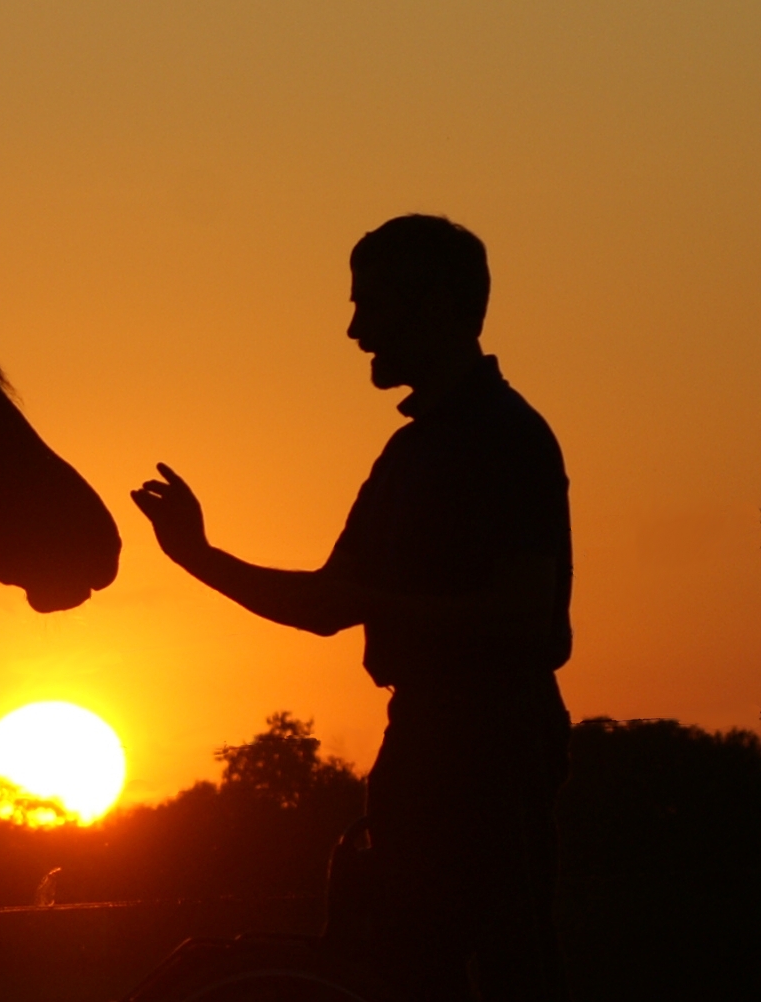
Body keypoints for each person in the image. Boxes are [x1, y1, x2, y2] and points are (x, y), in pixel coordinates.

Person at [132, 215, 573, 1001]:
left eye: (372, 305)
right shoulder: (411, 454)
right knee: (404, 970)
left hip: (493, 744)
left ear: (438, 305)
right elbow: (326, 607)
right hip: (426, 742)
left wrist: (376, 604)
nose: (354, 329)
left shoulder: (508, 438)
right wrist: (197, 556)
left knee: (501, 968)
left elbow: (521, 617)